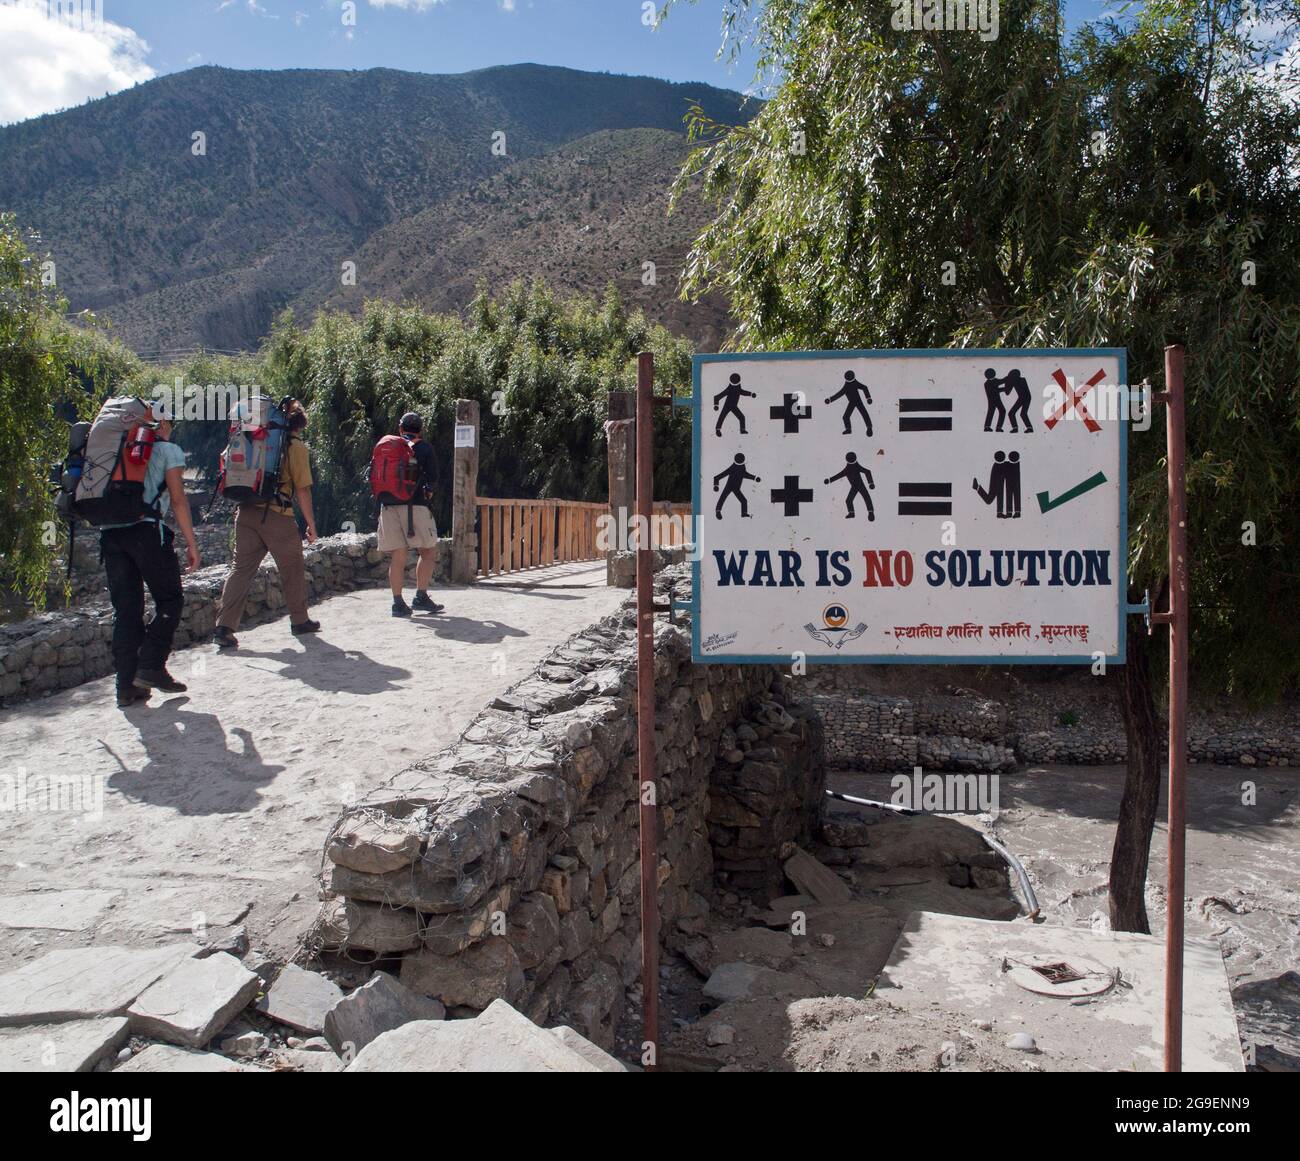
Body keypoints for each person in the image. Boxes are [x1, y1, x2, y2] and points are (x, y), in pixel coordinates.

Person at [100, 406, 201, 708]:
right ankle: (152, 665)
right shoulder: (166, 449)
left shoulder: (112, 449)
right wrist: (192, 544)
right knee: (170, 599)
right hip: (145, 531)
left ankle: (126, 687)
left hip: (110, 535)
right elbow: (179, 500)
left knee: (127, 610)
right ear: (162, 424)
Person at [212, 399, 320, 649]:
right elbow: (302, 489)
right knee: (292, 568)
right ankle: (300, 620)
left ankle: (224, 628)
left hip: (246, 511)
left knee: (241, 569)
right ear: (298, 424)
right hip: (276, 515)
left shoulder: (254, 439)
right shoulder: (294, 446)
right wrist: (311, 524)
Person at [380, 412, 445, 617]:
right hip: (415, 505)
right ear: (421, 429)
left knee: (397, 556)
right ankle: (420, 596)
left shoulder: (389, 448)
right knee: (428, 551)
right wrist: (427, 492)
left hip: (388, 505)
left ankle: (398, 604)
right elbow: (433, 479)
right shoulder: (424, 448)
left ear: (400, 429)